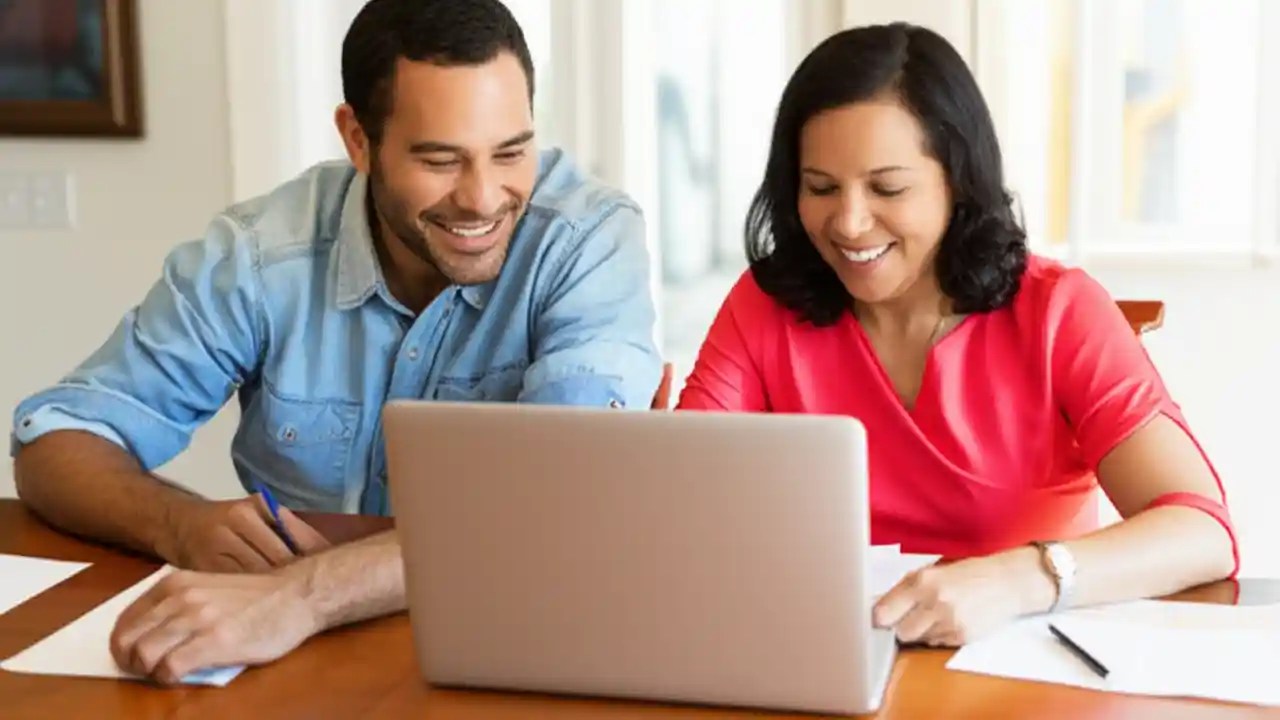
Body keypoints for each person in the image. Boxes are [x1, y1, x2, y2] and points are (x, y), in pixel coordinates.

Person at [10, 0, 662, 684]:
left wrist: (302, 596)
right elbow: (57, 439)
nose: (482, 197)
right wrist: (179, 523)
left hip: (514, 641)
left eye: (511, 152)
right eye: (440, 159)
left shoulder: (587, 240)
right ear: (358, 139)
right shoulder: (261, 256)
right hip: (295, 669)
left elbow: (562, 497)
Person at [677, 23, 1237, 647]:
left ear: (959, 182)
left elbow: (1201, 529)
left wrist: (1020, 578)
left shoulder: (1059, 312)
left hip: (1028, 673)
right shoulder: (764, 307)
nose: (850, 222)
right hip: (824, 660)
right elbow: (685, 503)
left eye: (888, 188)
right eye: (821, 188)